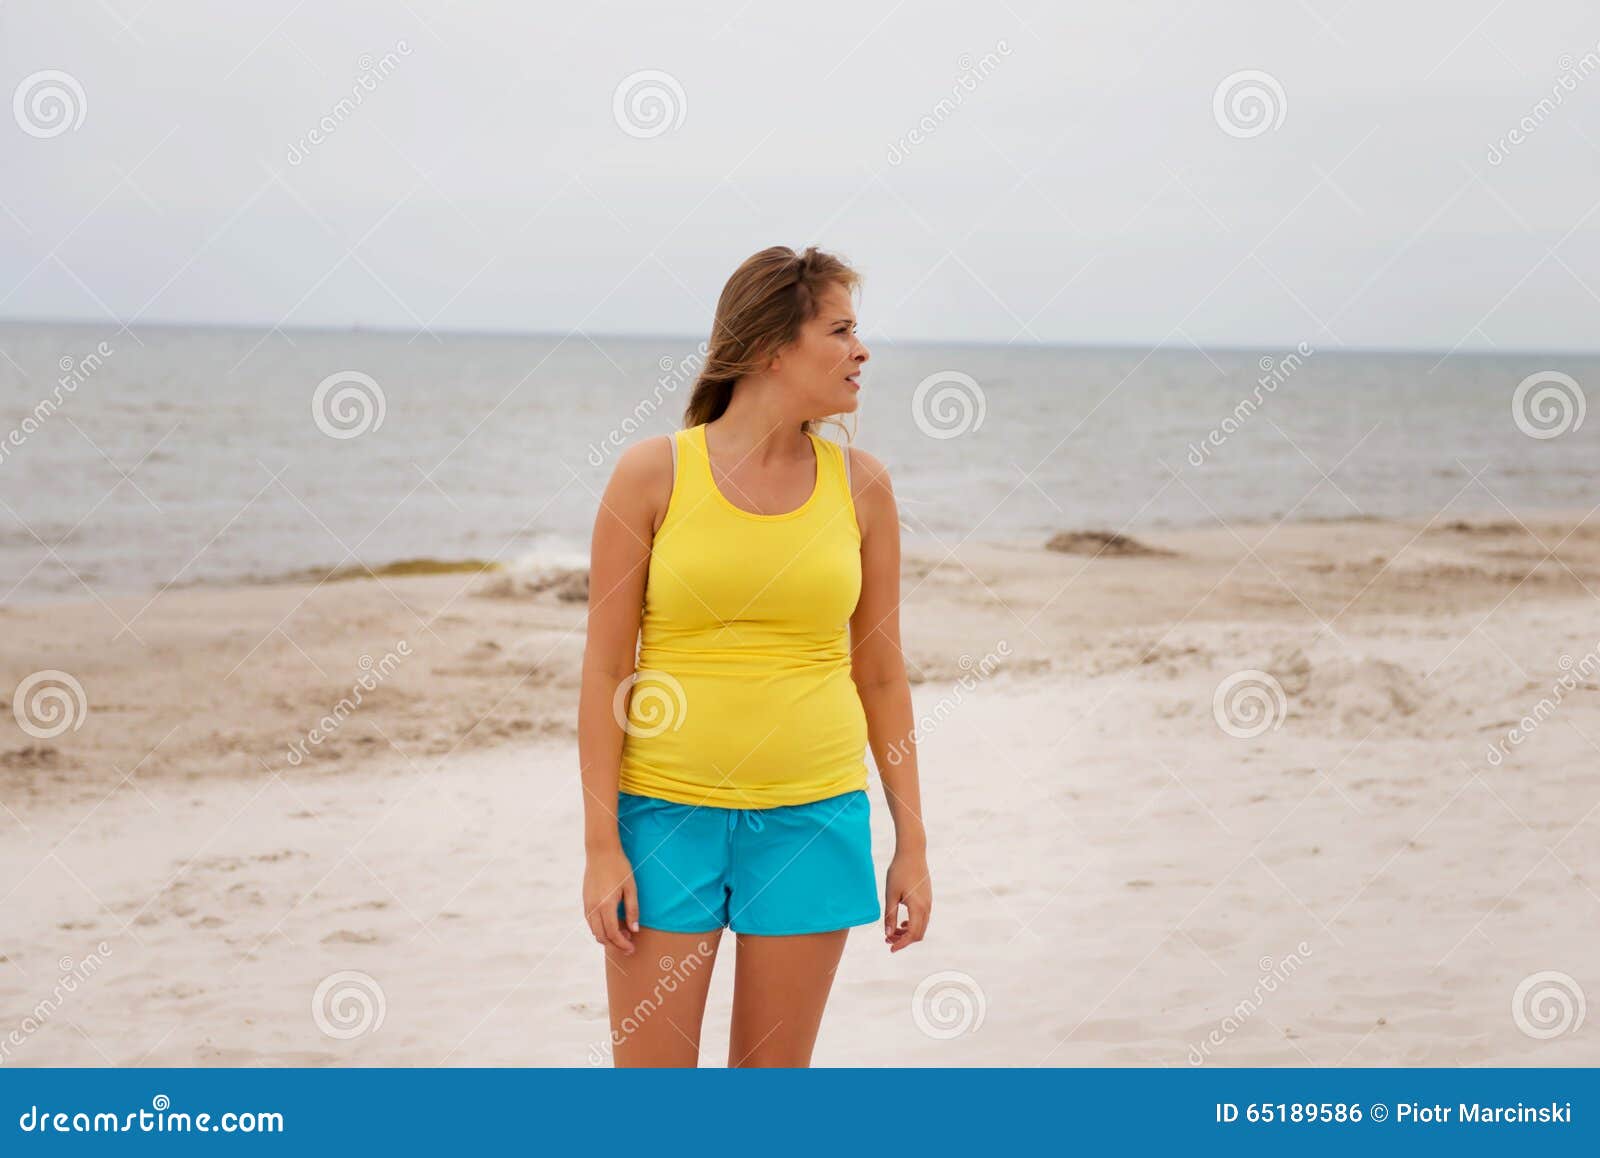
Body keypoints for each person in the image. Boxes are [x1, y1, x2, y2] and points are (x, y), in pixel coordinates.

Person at [578, 245, 932, 1067]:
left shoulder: (865, 486)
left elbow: (880, 671)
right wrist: (603, 847)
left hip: (813, 820)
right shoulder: (651, 475)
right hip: (664, 818)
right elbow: (605, 670)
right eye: (840, 330)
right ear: (773, 346)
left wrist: (911, 842)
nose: (862, 351)